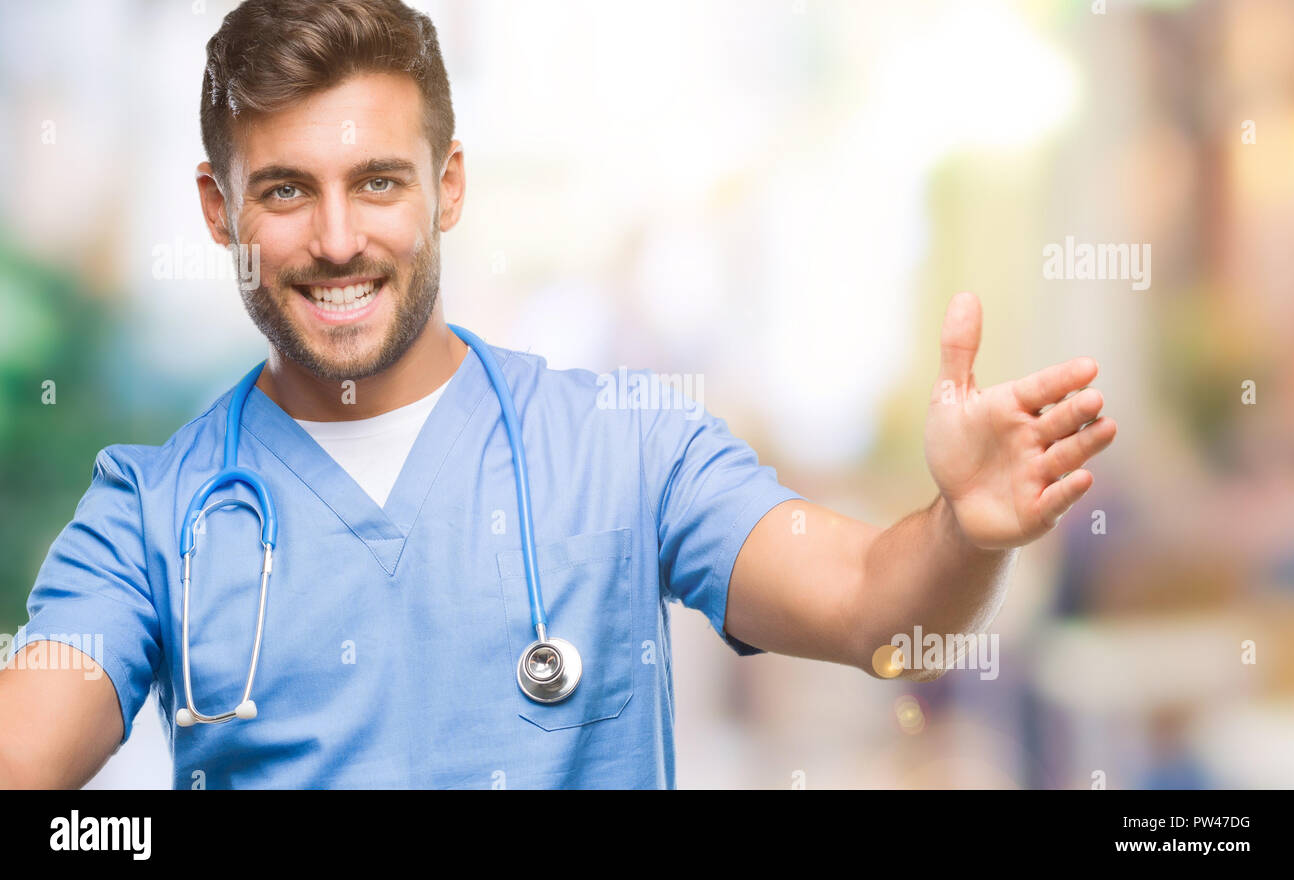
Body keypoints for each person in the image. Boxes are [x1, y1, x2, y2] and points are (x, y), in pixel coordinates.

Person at [0, 0, 1115, 789]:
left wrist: (962, 531)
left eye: (378, 183)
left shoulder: (626, 449)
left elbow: (882, 612)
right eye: (287, 191)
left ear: (449, 186)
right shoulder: (149, 518)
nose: (337, 240)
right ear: (217, 207)